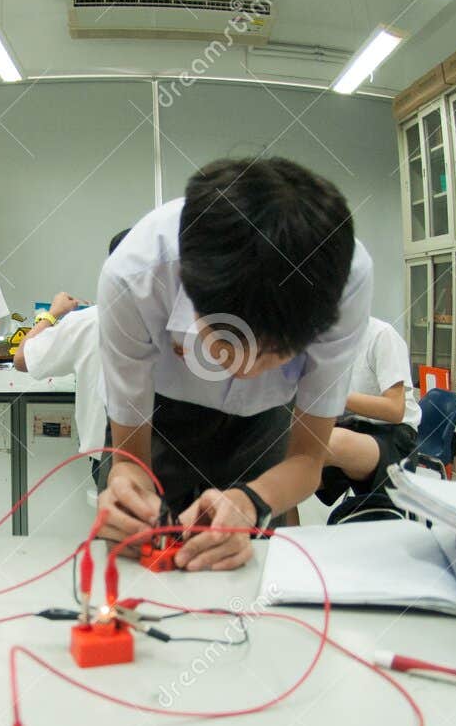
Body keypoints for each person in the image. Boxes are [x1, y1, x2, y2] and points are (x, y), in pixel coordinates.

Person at [96, 157, 373, 570]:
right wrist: (125, 488)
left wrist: (254, 501)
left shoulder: (344, 281)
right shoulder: (136, 277)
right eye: (224, 346)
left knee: (250, 567)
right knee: (141, 555)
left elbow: (308, 459)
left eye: (278, 354)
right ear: (191, 293)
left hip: (266, 421)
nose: (246, 370)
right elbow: (129, 460)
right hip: (162, 415)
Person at [13, 229, 130, 493]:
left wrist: (52, 314)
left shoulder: (88, 320)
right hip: (179, 458)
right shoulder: (189, 319)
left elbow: (22, 359)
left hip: (111, 458)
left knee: (121, 531)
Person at [317, 316, 421, 506]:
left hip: (394, 436)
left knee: (328, 442)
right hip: (354, 428)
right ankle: (280, 535)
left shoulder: (381, 335)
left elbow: (395, 410)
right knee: (277, 468)